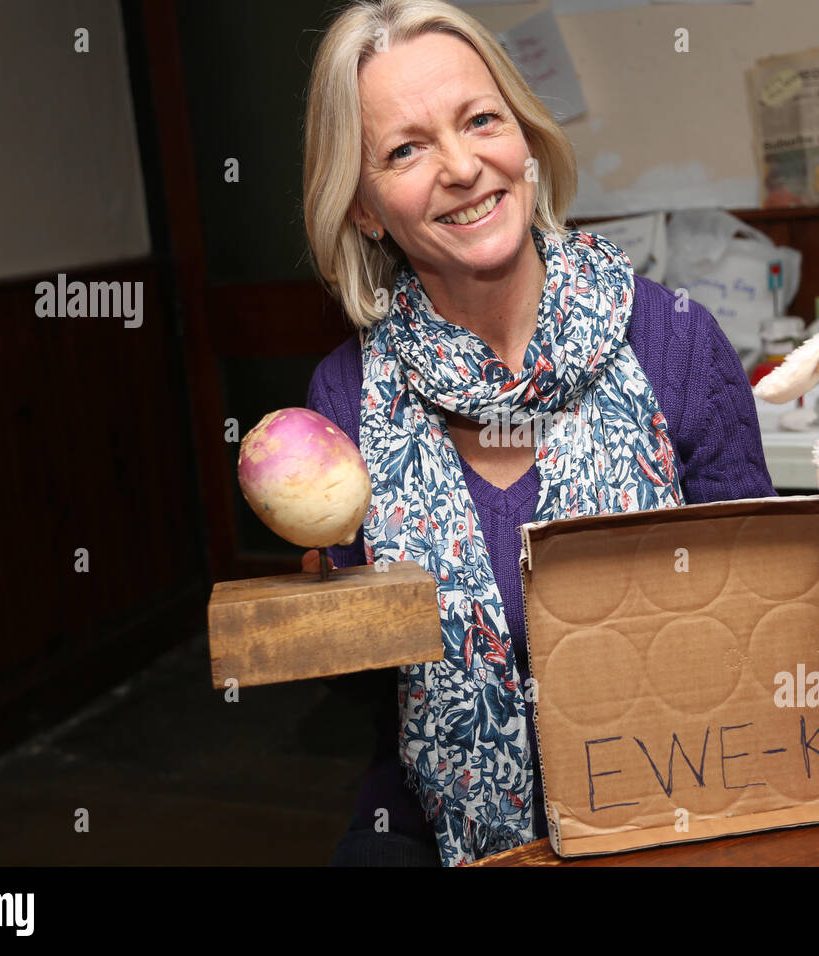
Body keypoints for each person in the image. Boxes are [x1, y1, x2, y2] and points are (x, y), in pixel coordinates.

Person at [299, 0, 775, 867]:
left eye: (481, 120)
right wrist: (330, 602)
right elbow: (364, 685)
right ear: (365, 209)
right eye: (405, 150)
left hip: (684, 797)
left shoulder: (674, 343)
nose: (460, 166)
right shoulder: (344, 396)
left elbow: (760, 619)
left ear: (522, 140)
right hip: (434, 821)